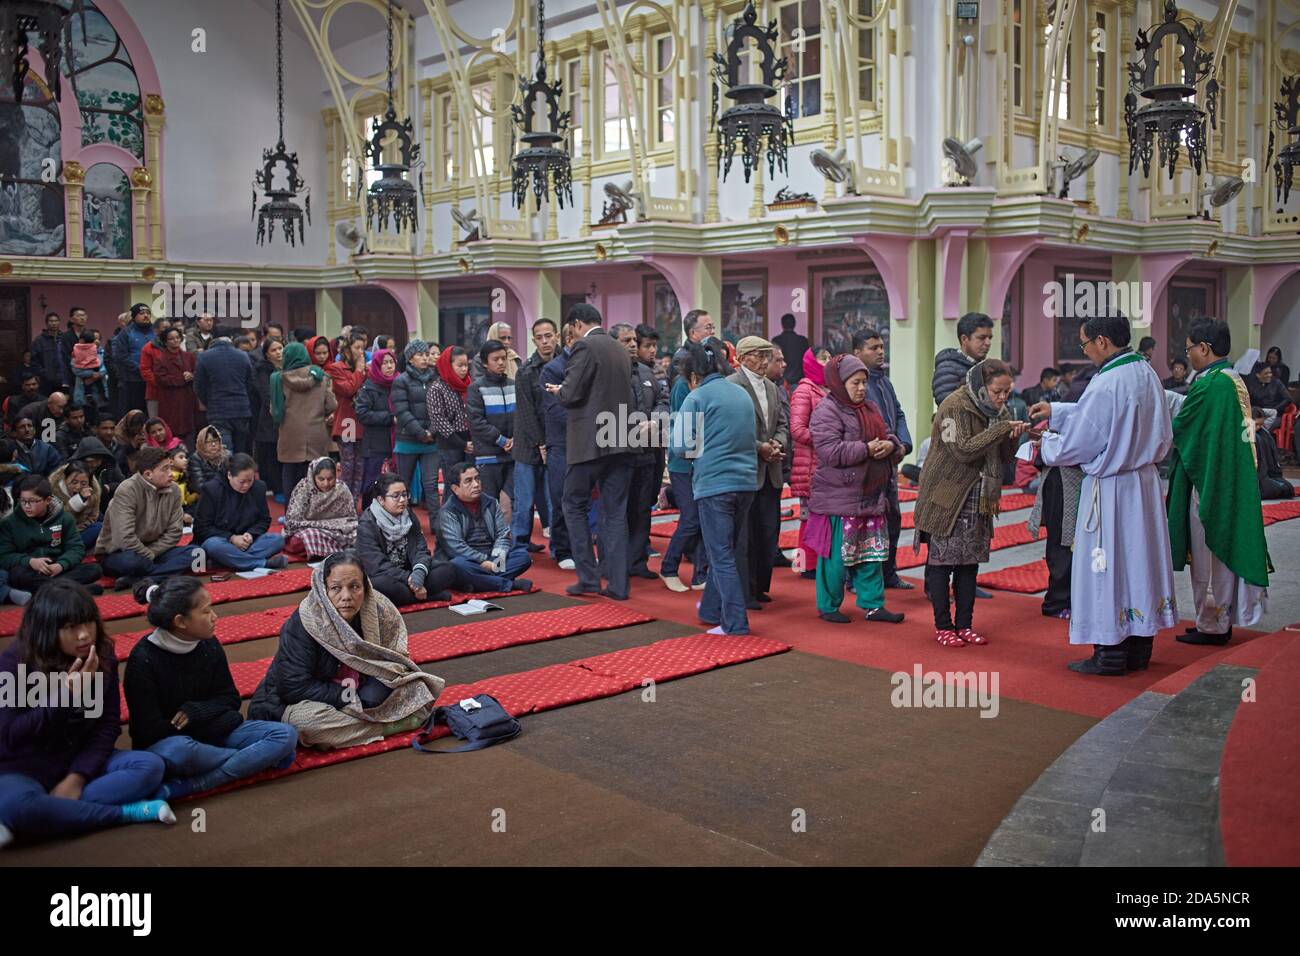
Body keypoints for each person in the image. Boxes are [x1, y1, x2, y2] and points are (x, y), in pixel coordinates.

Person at [1029, 313, 1178, 675]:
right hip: (1143, 485)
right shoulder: (1145, 372)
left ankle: (1109, 651)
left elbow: (1082, 442)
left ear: (1101, 342)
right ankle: (1139, 648)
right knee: (1139, 566)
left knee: (1106, 567)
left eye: (1084, 345)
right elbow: (1109, 417)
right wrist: (1059, 411)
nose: (1085, 353)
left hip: (1111, 490)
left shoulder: (1106, 382)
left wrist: (1045, 444)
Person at [0, 580, 175, 845]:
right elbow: (10, 737)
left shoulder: (102, 654)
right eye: (71, 628)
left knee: (150, 765)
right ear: (47, 630)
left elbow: (107, 725)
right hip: (22, 767)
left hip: (77, 758)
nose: (84, 635)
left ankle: (51, 813)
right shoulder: (13, 664)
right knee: (21, 806)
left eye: (88, 623)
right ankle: (127, 812)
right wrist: (66, 697)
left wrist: (77, 777)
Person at [247, 553, 445, 750]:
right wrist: (348, 697)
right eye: (336, 588)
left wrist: (377, 688)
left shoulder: (380, 612)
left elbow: (395, 663)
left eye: (354, 587)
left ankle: (352, 728)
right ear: (323, 590)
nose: (346, 597)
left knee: (417, 689)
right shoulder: (305, 622)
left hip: (359, 692)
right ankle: (393, 725)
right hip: (305, 700)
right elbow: (292, 687)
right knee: (306, 723)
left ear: (365, 588)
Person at [123, 578, 298, 800]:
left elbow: (230, 699)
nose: (215, 616)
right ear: (180, 621)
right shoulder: (143, 660)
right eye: (206, 611)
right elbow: (146, 732)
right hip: (177, 745)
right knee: (180, 751)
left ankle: (195, 784)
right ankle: (251, 760)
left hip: (213, 734)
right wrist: (206, 726)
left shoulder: (208, 645)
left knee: (285, 735)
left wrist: (197, 713)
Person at [1166, 318, 1270, 647]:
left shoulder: (1211, 384)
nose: (1189, 355)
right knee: (1216, 557)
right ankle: (1215, 620)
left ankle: (1213, 624)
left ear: (1204, 348)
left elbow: (1182, 426)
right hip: (1228, 477)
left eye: (1190, 349)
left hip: (1210, 483)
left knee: (1209, 556)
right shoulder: (1230, 379)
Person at [913, 360, 1026, 646]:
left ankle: (964, 624)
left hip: (979, 495)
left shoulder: (998, 411)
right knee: (942, 563)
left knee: (969, 564)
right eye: (997, 391)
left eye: (1007, 392)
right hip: (946, 495)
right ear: (980, 386)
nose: (1002, 398)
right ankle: (943, 626)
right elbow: (962, 450)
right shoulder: (954, 406)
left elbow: (1002, 457)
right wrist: (1000, 430)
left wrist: (1012, 436)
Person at [806, 354, 906, 624]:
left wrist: (892, 446)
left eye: (864, 382)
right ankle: (828, 606)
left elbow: (886, 434)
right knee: (836, 559)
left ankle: (873, 605)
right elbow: (829, 451)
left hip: (870, 496)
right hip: (839, 499)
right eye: (856, 383)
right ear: (839, 383)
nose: (862, 388)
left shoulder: (870, 408)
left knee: (871, 555)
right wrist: (867, 449)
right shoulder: (827, 411)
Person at [545, 304, 635, 600]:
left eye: (570, 329)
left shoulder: (584, 346)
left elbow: (572, 394)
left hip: (590, 443)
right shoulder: (619, 348)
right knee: (616, 514)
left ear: (578, 323)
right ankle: (619, 585)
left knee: (573, 505)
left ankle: (588, 577)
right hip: (621, 438)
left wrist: (559, 392)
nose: (570, 335)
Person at [671, 340, 756, 635]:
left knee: (720, 556)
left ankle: (735, 624)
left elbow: (681, 447)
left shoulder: (696, 398)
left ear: (693, 376)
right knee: (727, 550)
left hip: (714, 484)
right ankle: (710, 610)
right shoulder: (742, 393)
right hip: (746, 482)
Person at [726, 336, 788, 607]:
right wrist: (759, 447)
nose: (765, 361)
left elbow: (783, 424)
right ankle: (746, 590)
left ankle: (761, 585)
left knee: (768, 531)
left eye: (767, 356)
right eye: (759, 355)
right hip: (746, 470)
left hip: (771, 469)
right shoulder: (732, 385)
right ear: (742, 358)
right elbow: (731, 431)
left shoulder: (773, 388)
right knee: (747, 534)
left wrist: (778, 443)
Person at [854, 329, 913, 590]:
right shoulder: (856, 384)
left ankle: (889, 573)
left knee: (892, 520)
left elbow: (898, 414)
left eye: (881, 347)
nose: (880, 352)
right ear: (857, 353)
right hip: (867, 464)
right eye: (873, 348)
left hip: (889, 461)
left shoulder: (884, 382)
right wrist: (887, 446)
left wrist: (903, 444)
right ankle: (855, 578)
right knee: (862, 524)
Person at [95, 446, 204, 589]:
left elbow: (175, 532)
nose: (171, 474)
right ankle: (159, 572)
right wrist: (148, 555)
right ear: (148, 474)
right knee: (135, 563)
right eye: (165, 469)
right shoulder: (127, 490)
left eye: (170, 467)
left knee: (198, 553)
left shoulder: (174, 490)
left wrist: (151, 552)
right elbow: (124, 538)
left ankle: (139, 580)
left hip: (154, 550)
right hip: (119, 552)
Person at [356, 473, 456, 607]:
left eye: (404, 494)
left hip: (411, 571)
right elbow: (377, 566)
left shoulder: (408, 515)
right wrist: (409, 579)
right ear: (381, 500)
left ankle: (413, 595)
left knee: (447, 569)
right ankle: (430, 596)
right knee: (378, 586)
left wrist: (418, 573)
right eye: (395, 496)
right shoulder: (367, 523)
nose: (402, 500)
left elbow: (420, 549)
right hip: (387, 576)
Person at [0, 474, 105, 596]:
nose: (27, 506)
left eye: (33, 501)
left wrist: (62, 564)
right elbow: (4, 556)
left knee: (94, 570)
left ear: (48, 500)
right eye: (23, 501)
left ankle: (53, 590)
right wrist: (30, 561)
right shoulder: (9, 523)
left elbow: (76, 548)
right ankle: (72, 590)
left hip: (57, 568)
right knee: (16, 575)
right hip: (30, 570)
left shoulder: (65, 518)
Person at [616, 323, 665, 580]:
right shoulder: (608, 374)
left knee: (642, 509)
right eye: (626, 341)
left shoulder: (647, 373)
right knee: (618, 511)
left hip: (647, 454)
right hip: (619, 455)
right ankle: (616, 564)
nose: (633, 345)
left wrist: (656, 420)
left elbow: (662, 402)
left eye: (634, 340)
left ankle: (637, 562)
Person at [440, 462, 533, 593]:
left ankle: (478, 583)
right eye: (468, 481)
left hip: (493, 556)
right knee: (457, 565)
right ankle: (507, 584)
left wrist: (497, 559)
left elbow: (503, 534)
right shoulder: (448, 511)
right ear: (455, 489)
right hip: (468, 560)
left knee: (523, 557)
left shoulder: (491, 502)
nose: (476, 484)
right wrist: (484, 562)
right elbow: (456, 547)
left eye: (477, 478)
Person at [193, 452, 286, 572]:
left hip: (247, 542)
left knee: (277, 539)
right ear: (229, 475)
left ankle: (229, 560)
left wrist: (251, 534)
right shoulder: (212, 489)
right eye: (242, 482)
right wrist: (232, 538)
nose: (246, 485)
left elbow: (264, 519)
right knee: (213, 545)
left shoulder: (259, 487)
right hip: (222, 540)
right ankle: (262, 563)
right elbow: (201, 528)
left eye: (250, 480)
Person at [510, 319, 557, 553]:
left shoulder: (566, 365)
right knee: (525, 501)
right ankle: (519, 544)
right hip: (528, 445)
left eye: (549, 335)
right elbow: (526, 412)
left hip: (557, 442)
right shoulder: (526, 371)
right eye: (540, 337)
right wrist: (540, 443)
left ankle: (560, 546)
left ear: (557, 336)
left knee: (555, 499)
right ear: (534, 340)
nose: (545, 341)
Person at [272, 341, 337, 496]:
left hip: (289, 435)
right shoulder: (321, 377)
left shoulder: (278, 379)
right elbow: (331, 405)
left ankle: (291, 515)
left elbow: (274, 410)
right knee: (316, 478)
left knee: (290, 476)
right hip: (316, 433)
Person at [538, 327, 576, 571]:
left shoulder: (587, 365)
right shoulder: (553, 369)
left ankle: (579, 548)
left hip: (585, 440)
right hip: (561, 442)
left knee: (579, 500)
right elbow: (555, 409)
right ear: (571, 339)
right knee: (561, 497)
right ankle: (561, 549)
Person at [790, 347, 829, 578]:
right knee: (809, 518)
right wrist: (826, 440)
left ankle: (816, 563)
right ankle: (806, 564)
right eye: (823, 358)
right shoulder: (805, 390)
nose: (828, 362)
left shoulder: (830, 388)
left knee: (820, 517)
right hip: (810, 464)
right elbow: (797, 429)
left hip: (825, 464)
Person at [390, 340, 441, 516]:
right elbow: (401, 411)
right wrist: (420, 432)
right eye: (420, 355)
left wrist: (432, 431)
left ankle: (438, 527)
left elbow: (440, 409)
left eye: (426, 354)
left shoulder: (436, 379)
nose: (425, 358)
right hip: (408, 440)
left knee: (431, 484)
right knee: (403, 486)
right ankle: (404, 522)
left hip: (431, 441)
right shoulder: (401, 381)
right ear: (410, 359)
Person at [466, 340, 517, 515]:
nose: (501, 363)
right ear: (485, 363)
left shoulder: (513, 384)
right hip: (488, 456)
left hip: (512, 455)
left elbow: (522, 417)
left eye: (503, 358)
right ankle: (490, 541)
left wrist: (515, 440)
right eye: (496, 359)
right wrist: (502, 441)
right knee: (489, 504)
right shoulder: (476, 388)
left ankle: (515, 541)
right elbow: (476, 422)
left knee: (512, 501)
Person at [284, 457, 358, 560]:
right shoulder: (304, 488)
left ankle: (329, 551)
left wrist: (335, 527)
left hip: (338, 530)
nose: (326, 483)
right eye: (321, 479)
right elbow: (292, 522)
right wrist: (320, 525)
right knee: (306, 537)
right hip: (311, 530)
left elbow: (351, 518)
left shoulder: (341, 488)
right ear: (313, 476)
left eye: (330, 479)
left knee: (360, 532)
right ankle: (337, 550)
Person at [194, 333, 254, 455]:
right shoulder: (243, 356)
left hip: (218, 409)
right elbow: (250, 382)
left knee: (224, 449)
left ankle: (225, 473)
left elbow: (199, 386)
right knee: (240, 450)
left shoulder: (204, 357)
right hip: (241, 409)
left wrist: (208, 402)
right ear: (230, 340)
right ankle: (238, 472)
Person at [327, 333, 368, 505]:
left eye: (363, 348)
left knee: (360, 467)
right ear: (347, 350)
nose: (361, 352)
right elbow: (348, 389)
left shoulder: (367, 368)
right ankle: (342, 503)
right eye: (357, 348)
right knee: (348, 466)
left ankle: (353, 504)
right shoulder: (336, 368)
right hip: (347, 422)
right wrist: (359, 371)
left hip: (363, 421)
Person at [354, 348, 399, 499]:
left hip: (397, 442)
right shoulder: (369, 387)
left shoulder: (400, 383)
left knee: (394, 484)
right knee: (372, 483)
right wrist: (389, 418)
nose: (389, 366)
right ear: (377, 365)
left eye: (391, 362)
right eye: (384, 363)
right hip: (375, 444)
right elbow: (362, 413)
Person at [932, 312, 994, 407]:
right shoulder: (948, 367)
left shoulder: (985, 367)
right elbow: (948, 405)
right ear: (964, 339)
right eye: (982, 338)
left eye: (990, 338)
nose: (988, 343)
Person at [153, 327, 197, 446]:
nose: (175, 341)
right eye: (171, 339)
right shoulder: (160, 358)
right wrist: (181, 379)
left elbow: (196, 372)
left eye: (177, 338)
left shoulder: (188, 356)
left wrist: (191, 376)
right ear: (165, 341)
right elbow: (161, 379)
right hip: (170, 399)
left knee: (189, 430)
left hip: (187, 398)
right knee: (172, 430)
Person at [49, 459, 102, 550]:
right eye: (74, 482)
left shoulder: (93, 493)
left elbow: (93, 516)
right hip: (58, 536)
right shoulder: (52, 492)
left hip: (81, 531)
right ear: (65, 479)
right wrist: (76, 503)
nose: (78, 487)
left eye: (83, 483)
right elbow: (56, 521)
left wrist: (81, 527)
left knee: (101, 526)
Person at [138, 317, 171, 419]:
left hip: (173, 391)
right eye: (165, 328)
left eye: (169, 328)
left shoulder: (175, 346)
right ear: (156, 330)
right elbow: (145, 370)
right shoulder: (148, 348)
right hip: (155, 392)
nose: (168, 330)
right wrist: (161, 382)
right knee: (155, 422)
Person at [1246, 363, 1294, 432]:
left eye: (1270, 373)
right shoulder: (1252, 385)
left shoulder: (1277, 383)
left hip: (1275, 414)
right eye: (1266, 373)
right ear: (1258, 375)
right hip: (1259, 413)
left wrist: (1275, 409)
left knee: (1259, 427)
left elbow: (1288, 399)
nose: (1270, 375)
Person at [70, 329, 109, 411]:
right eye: (94, 339)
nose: (96, 341)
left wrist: (97, 375)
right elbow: (76, 370)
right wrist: (92, 374)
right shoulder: (77, 352)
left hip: (101, 393)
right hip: (82, 392)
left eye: (98, 339)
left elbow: (107, 368)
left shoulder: (103, 353)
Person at [771, 313, 809, 389]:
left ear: (782, 325)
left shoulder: (776, 341)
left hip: (780, 382)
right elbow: (806, 362)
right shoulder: (803, 341)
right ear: (794, 324)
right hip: (799, 381)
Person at [31, 311, 64, 396]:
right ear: (46, 323)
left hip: (63, 379)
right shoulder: (39, 340)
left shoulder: (64, 338)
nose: (53, 323)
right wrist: (43, 373)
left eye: (56, 321)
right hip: (46, 381)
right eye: (51, 321)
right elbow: (34, 360)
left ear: (59, 322)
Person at [57, 307, 88, 392]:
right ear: (71, 319)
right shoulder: (65, 336)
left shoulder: (89, 334)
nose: (82, 318)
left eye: (84, 315)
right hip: (71, 374)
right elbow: (65, 357)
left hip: (89, 373)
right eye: (79, 316)